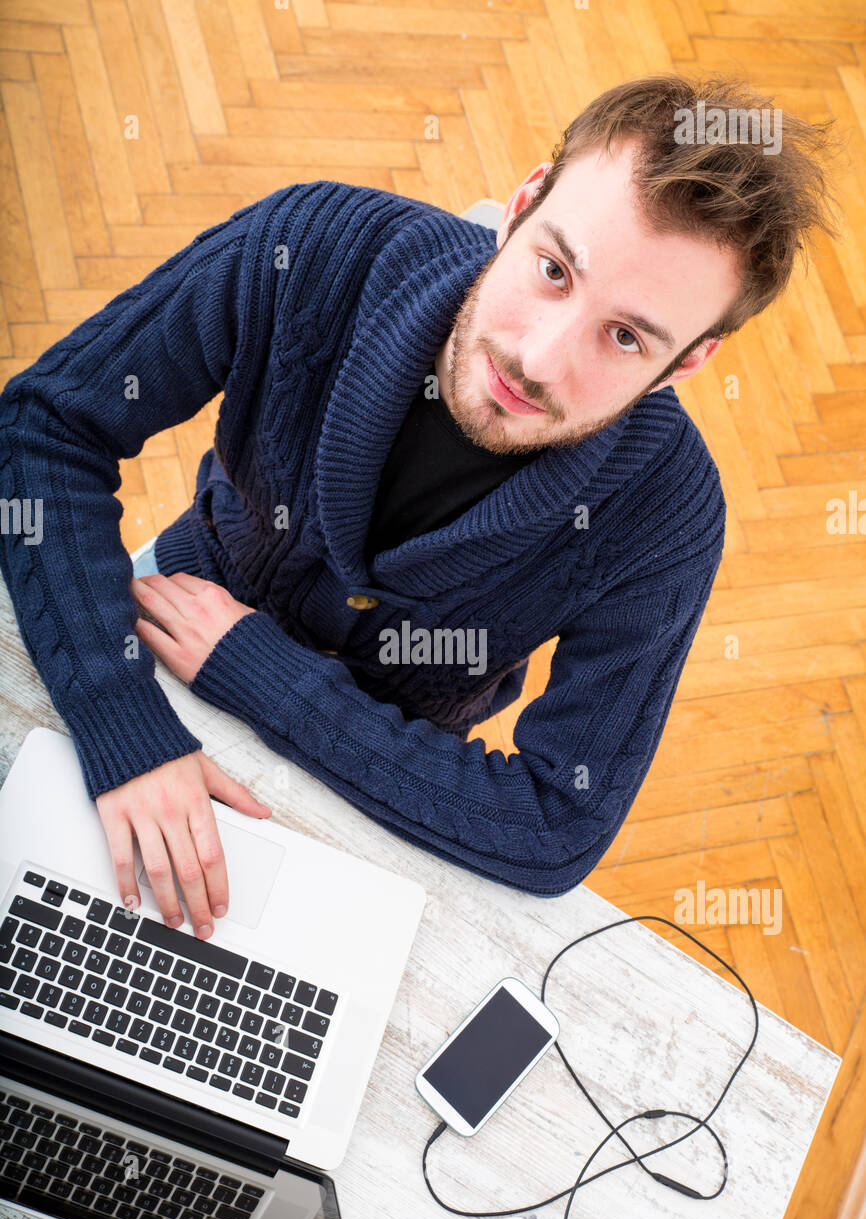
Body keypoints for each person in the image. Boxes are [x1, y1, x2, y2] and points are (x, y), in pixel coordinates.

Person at [0, 74, 838, 939]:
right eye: (555, 270)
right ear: (521, 205)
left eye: (626, 337)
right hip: (145, 628)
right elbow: (42, 426)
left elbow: (558, 825)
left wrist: (265, 672)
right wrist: (119, 719)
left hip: (392, 772)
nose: (539, 360)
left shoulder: (668, 514)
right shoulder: (310, 249)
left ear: (687, 364)